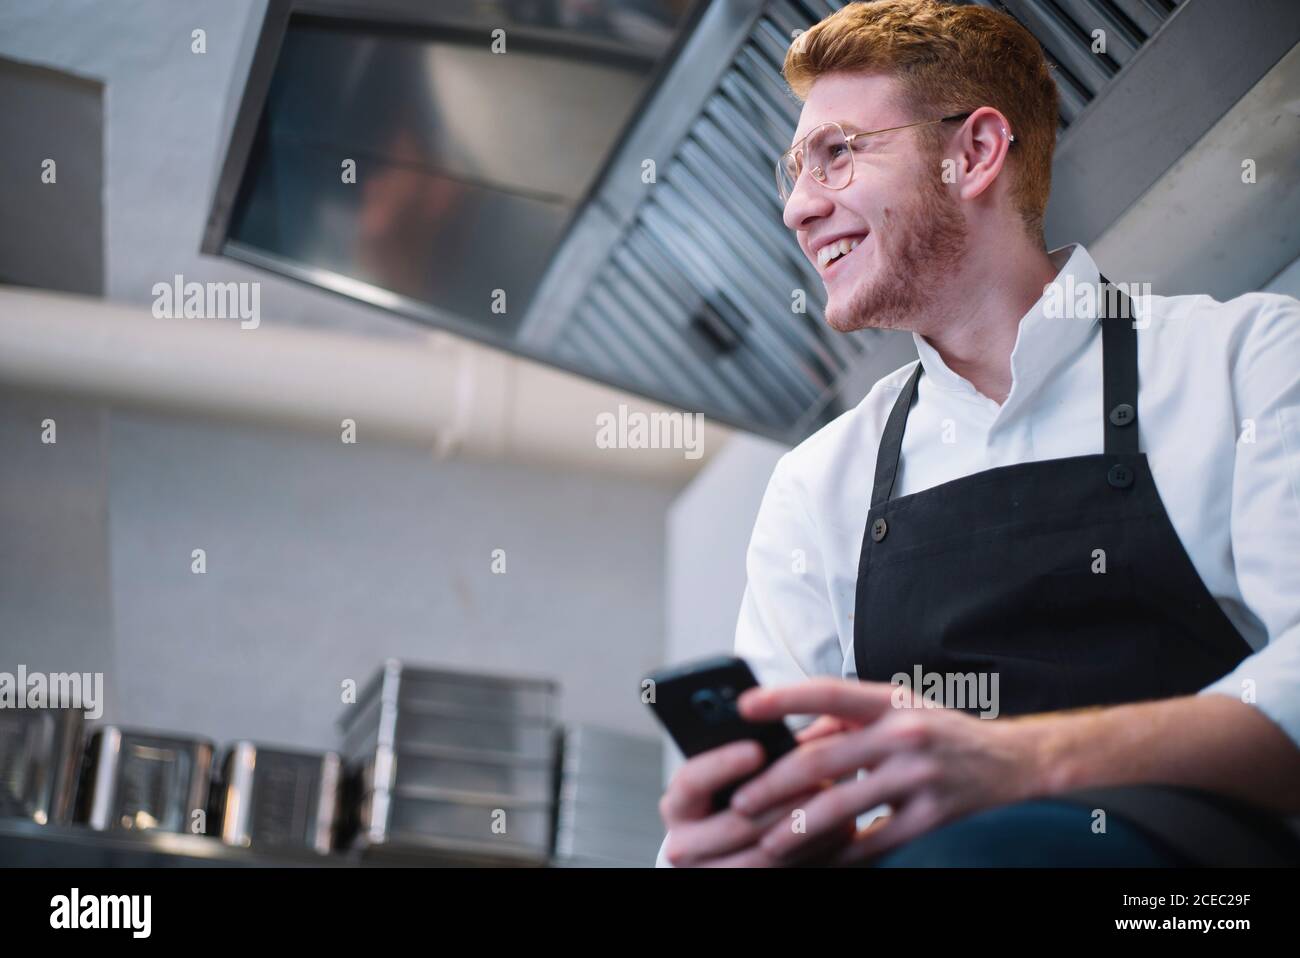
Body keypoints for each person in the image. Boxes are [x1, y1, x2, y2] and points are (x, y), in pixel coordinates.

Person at [656, 0, 1300, 867]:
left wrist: (1017, 763)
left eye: (836, 154)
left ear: (975, 152)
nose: (798, 210)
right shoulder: (820, 484)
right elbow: (788, 792)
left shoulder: (1246, 359)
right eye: (794, 171)